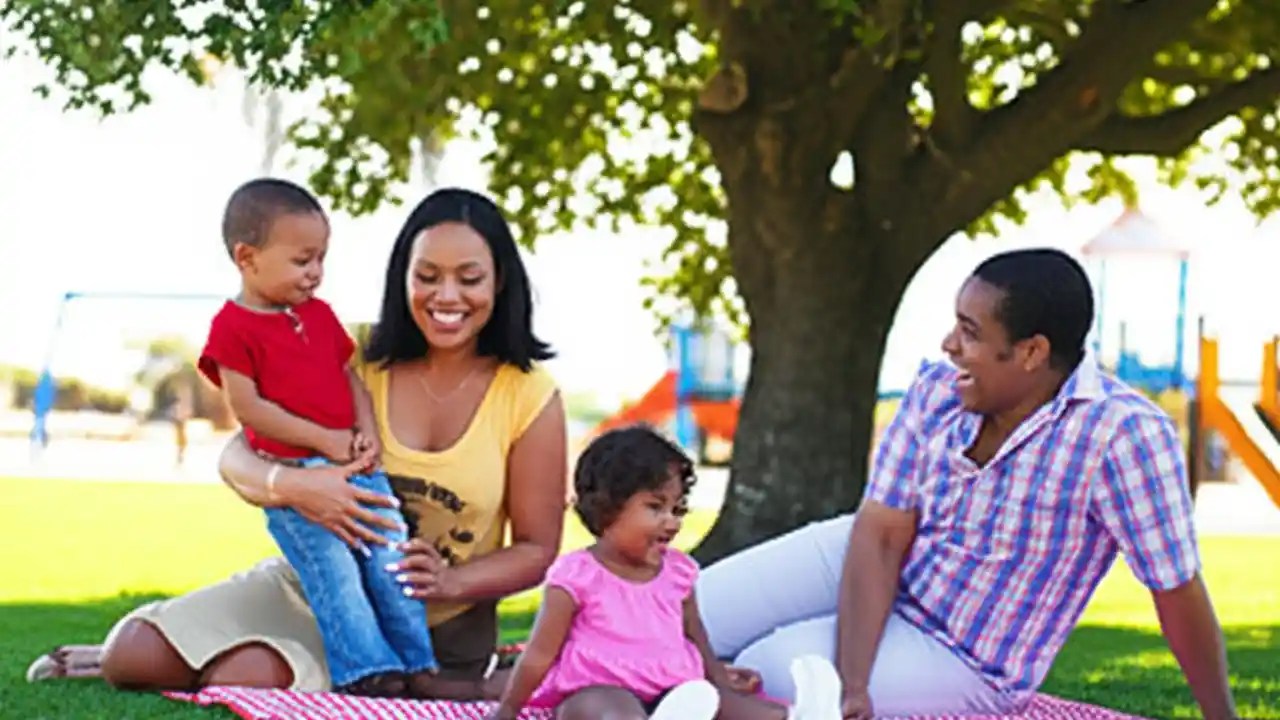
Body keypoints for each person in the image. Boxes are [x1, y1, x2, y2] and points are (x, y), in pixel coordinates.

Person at [25, 187, 569, 700]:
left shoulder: (527, 394)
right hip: (309, 586)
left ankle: (323, 668)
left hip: (436, 632)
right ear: (402, 277)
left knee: (244, 676)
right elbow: (239, 454)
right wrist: (293, 485)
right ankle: (134, 650)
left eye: (469, 278)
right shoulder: (350, 350)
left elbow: (536, 549)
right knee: (131, 657)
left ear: (499, 282)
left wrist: (451, 580)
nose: (446, 296)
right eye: (426, 275)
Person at [695, 248, 1237, 720]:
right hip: (877, 557)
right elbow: (882, 532)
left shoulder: (1124, 436)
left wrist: (1222, 717)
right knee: (684, 612)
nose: (949, 344)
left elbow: (1175, 589)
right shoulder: (938, 389)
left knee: (767, 671)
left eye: (970, 332)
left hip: (964, 652)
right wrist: (854, 678)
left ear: (1032, 352)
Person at [195, 178, 440, 697]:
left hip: (357, 468)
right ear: (247, 257)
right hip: (299, 485)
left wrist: (365, 436)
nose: (316, 273)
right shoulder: (231, 330)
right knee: (336, 575)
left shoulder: (319, 316)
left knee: (391, 563)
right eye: (303, 260)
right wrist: (324, 439)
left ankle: (419, 665)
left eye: (321, 259)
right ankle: (367, 671)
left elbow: (350, 378)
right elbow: (251, 410)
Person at [489, 425, 844, 720]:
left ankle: (803, 714)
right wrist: (508, 709)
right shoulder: (577, 575)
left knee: (726, 706)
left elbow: (696, 638)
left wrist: (719, 679)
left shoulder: (678, 573)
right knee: (606, 712)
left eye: (677, 509)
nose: (672, 521)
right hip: (599, 688)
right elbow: (538, 654)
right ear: (606, 506)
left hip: (675, 690)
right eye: (655, 507)